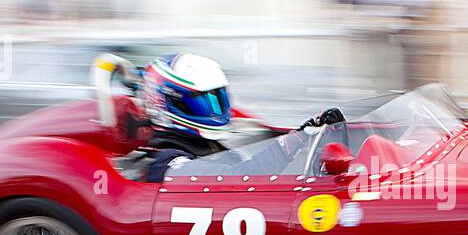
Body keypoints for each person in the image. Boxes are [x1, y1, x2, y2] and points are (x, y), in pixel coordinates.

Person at [117, 52, 343, 182]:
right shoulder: (165, 162)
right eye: (202, 100)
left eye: (217, 98)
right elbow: (237, 179)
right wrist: (290, 143)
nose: (213, 109)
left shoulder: (209, 147)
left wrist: (304, 139)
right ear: (169, 102)